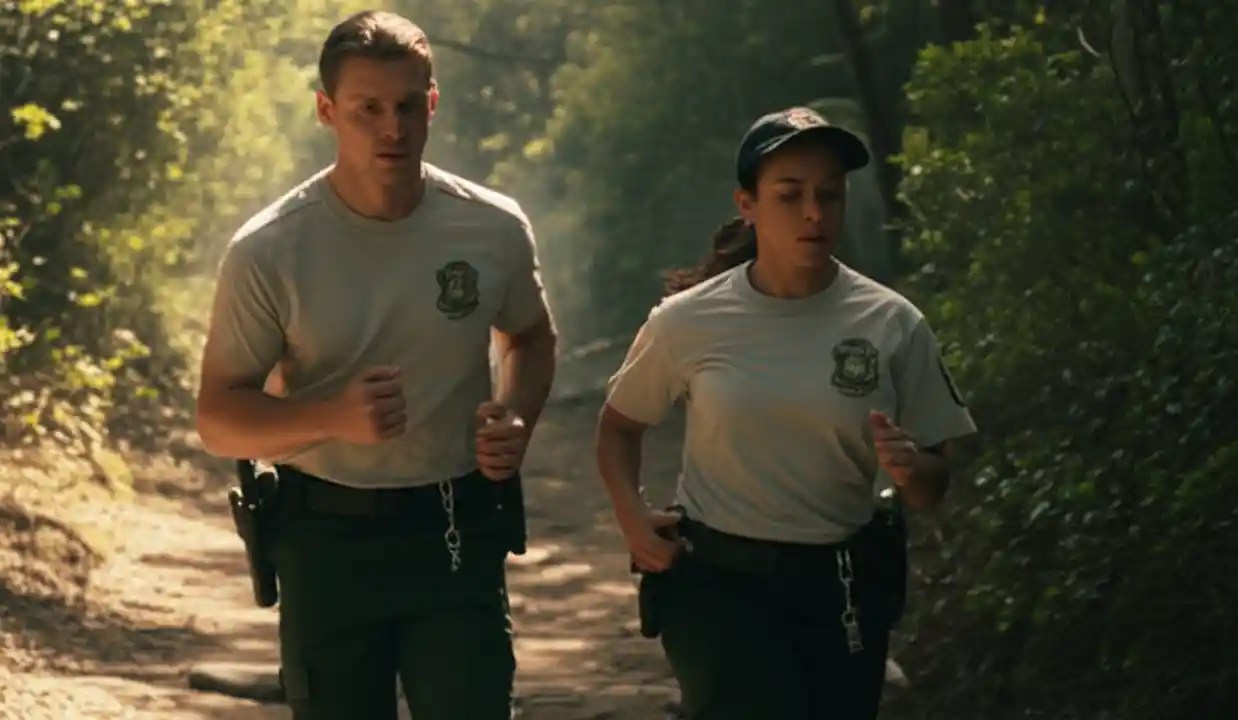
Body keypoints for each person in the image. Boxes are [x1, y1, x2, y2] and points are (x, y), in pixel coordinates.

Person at [195, 10, 557, 719]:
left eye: (406, 105)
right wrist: (330, 416)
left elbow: (532, 338)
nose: (392, 128)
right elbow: (218, 418)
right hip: (325, 543)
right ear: (327, 111)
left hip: (456, 534)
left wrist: (516, 413)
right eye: (367, 109)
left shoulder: (491, 227)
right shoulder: (270, 249)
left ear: (432, 103)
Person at [595, 106, 977, 719]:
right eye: (790, 195)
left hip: (843, 588)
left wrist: (911, 470)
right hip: (720, 586)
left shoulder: (892, 323)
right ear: (747, 204)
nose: (814, 213)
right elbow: (619, 426)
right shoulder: (688, 320)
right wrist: (634, 518)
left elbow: (935, 482)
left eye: (829, 195)